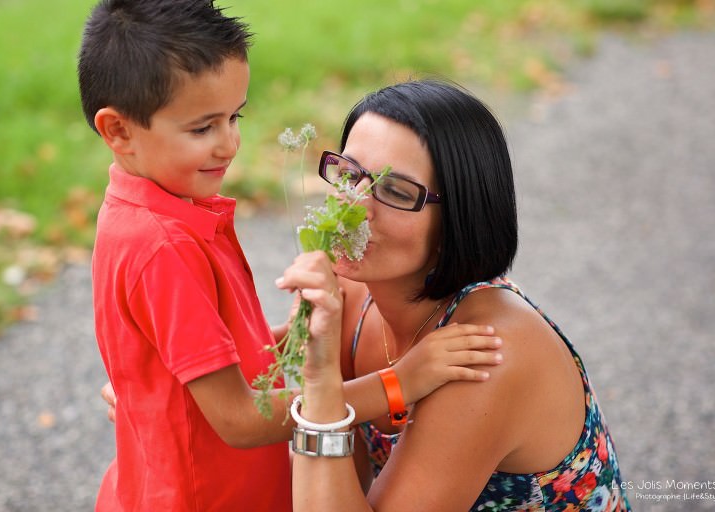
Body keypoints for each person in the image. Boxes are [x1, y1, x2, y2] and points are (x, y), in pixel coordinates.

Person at [79, 1, 502, 510]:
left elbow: (201, 354)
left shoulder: (152, 212)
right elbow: (238, 419)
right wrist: (402, 381)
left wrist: (287, 340)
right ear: (118, 131)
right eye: (203, 128)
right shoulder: (164, 245)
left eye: (235, 117)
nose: (229, 143)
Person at [277, 79, 632, 511]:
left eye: (395, 192)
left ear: (459, 219)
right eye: (349, 174)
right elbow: (333, 488)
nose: (354, 207)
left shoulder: (485, 354)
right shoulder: (349, 297)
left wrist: (319, 385)